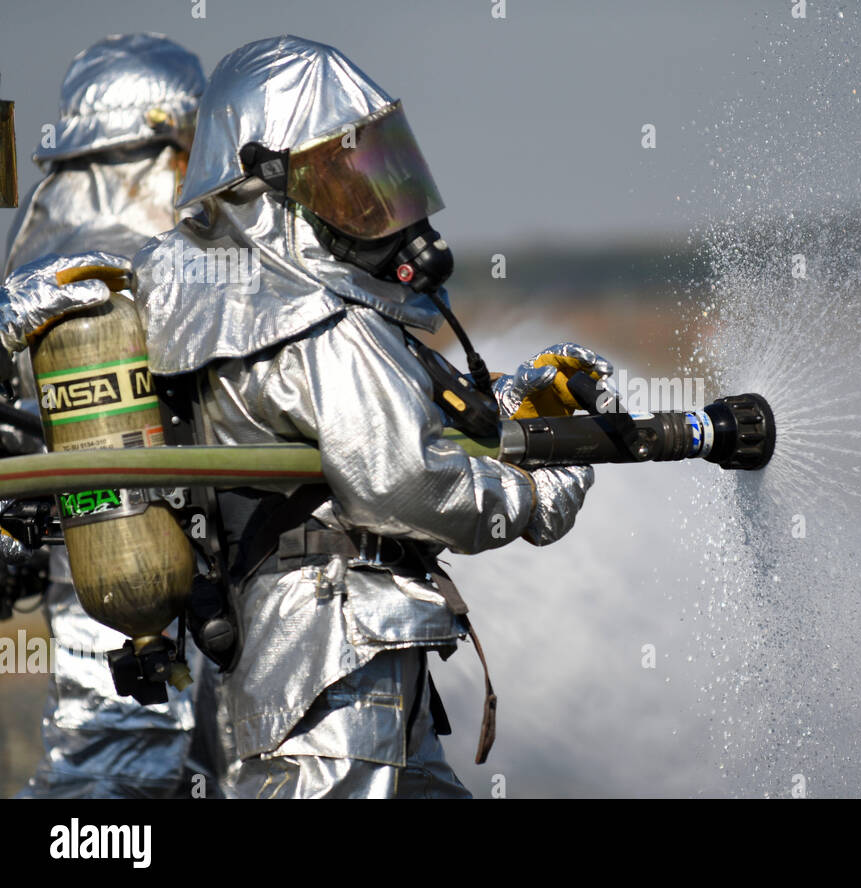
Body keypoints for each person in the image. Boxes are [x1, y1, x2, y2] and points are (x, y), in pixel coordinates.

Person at [4, 34, 609, 798]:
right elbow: (406, 483)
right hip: (338, 680)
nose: (375, 207)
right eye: (341, 177)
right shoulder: (313, 319)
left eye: (377, 173)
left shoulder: (215, 300)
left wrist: (518, 407)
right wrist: (541, 491)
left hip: (324, 676)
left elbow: (406, 419)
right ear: (264, 188)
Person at [0, 34, 215, 799]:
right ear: (164, 145)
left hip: (120, 590)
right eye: (194, 152)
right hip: (125, 582)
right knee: (117, 781)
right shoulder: (162, 270)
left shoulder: (35, 272)